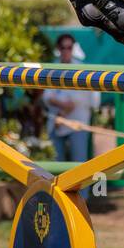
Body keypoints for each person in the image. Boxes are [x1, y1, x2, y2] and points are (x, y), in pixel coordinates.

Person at [42, 34, 100, 162]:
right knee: (57, 167)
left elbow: (79, 100)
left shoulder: (81, 69)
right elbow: (47, 97)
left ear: (73, 48)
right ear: (58, 49)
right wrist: (63, 108)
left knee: (79, 166)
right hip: (56, 124)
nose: (66, 51)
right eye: (63, 47)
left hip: (78, 124)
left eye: (69, 47)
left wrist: (61, 108)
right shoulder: (53, 68)